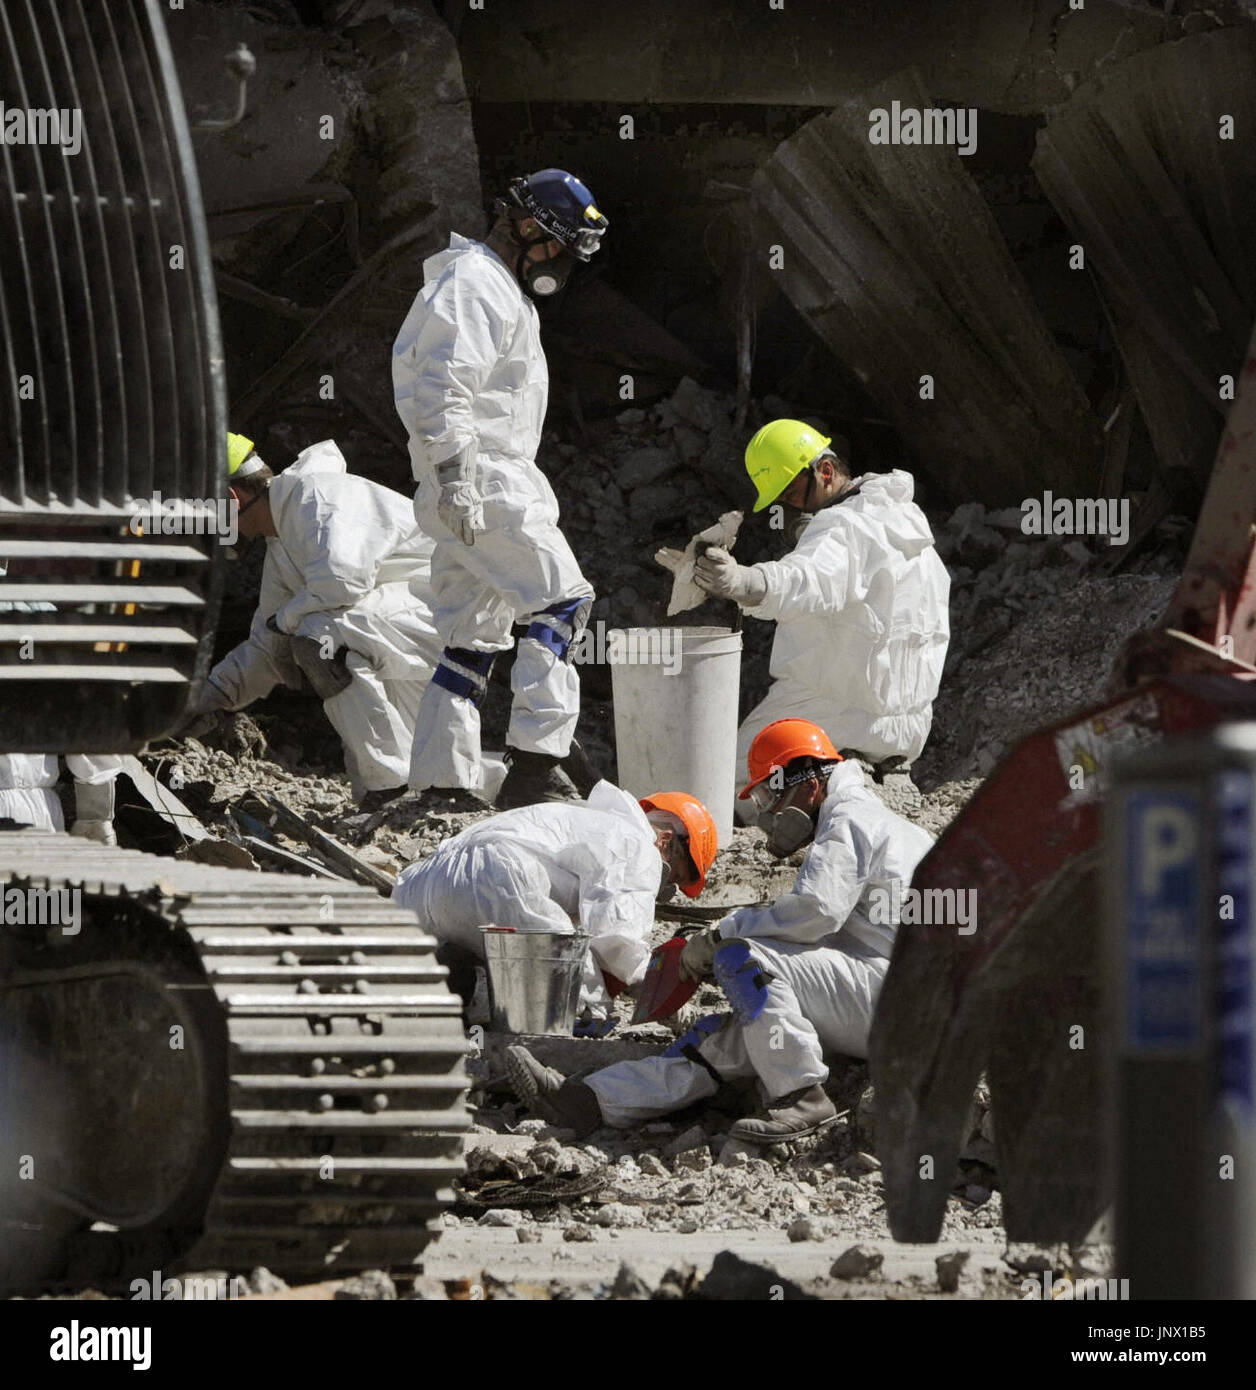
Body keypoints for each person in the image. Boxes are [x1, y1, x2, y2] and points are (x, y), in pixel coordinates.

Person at [505, 718, 934, 1145]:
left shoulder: (851, 821)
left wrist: (719, 937)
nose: (768, 813)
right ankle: (593, 1101)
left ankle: (801, 1095)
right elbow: (827, 929)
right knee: (730, 1036)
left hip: (900, 1003)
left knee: (742, 958)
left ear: (808, 783)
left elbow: (815, 912)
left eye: (770, 794)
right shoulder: (882, 826)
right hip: (898, 1000)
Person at [391, 169, 609, 809]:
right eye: (561, 250)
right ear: (528, 230)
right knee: (560, 603)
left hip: (467, 477)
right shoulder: (476, 285)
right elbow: (442, 387)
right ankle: (538, 766)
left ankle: (443, 780)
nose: (563, 267)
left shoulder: (493, 288)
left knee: (471, 635)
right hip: (480, 475)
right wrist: (459, 479)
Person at [186, 434, 442, 807]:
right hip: (395, 631)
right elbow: (266, 646)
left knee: (318, 640)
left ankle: (390, 790)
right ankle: (397, 791)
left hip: (434, 614)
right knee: (434, 773)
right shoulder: (283, 543)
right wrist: (207, 698)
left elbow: (342, 581)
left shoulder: (317, 498)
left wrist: (288, 619)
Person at [693, 419, 950, 790]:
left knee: (719, 783)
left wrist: (743, 581)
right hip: (907, 729)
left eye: (792, 492)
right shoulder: (904, 520)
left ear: (825, 471)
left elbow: (807, 581)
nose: (788, 504)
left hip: (833, 712)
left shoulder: (842, 528)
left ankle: (816, 802)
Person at [392, 784, 716, 1018]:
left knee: (504, 966)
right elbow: (616, 937)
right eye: (671, 876)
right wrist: (662, 987)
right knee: (574, 1000)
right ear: (666, 840)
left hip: (422, 885)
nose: (664, 887)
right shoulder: (637, 843)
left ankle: (462, 987)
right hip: (499, 877)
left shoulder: (580, 819)